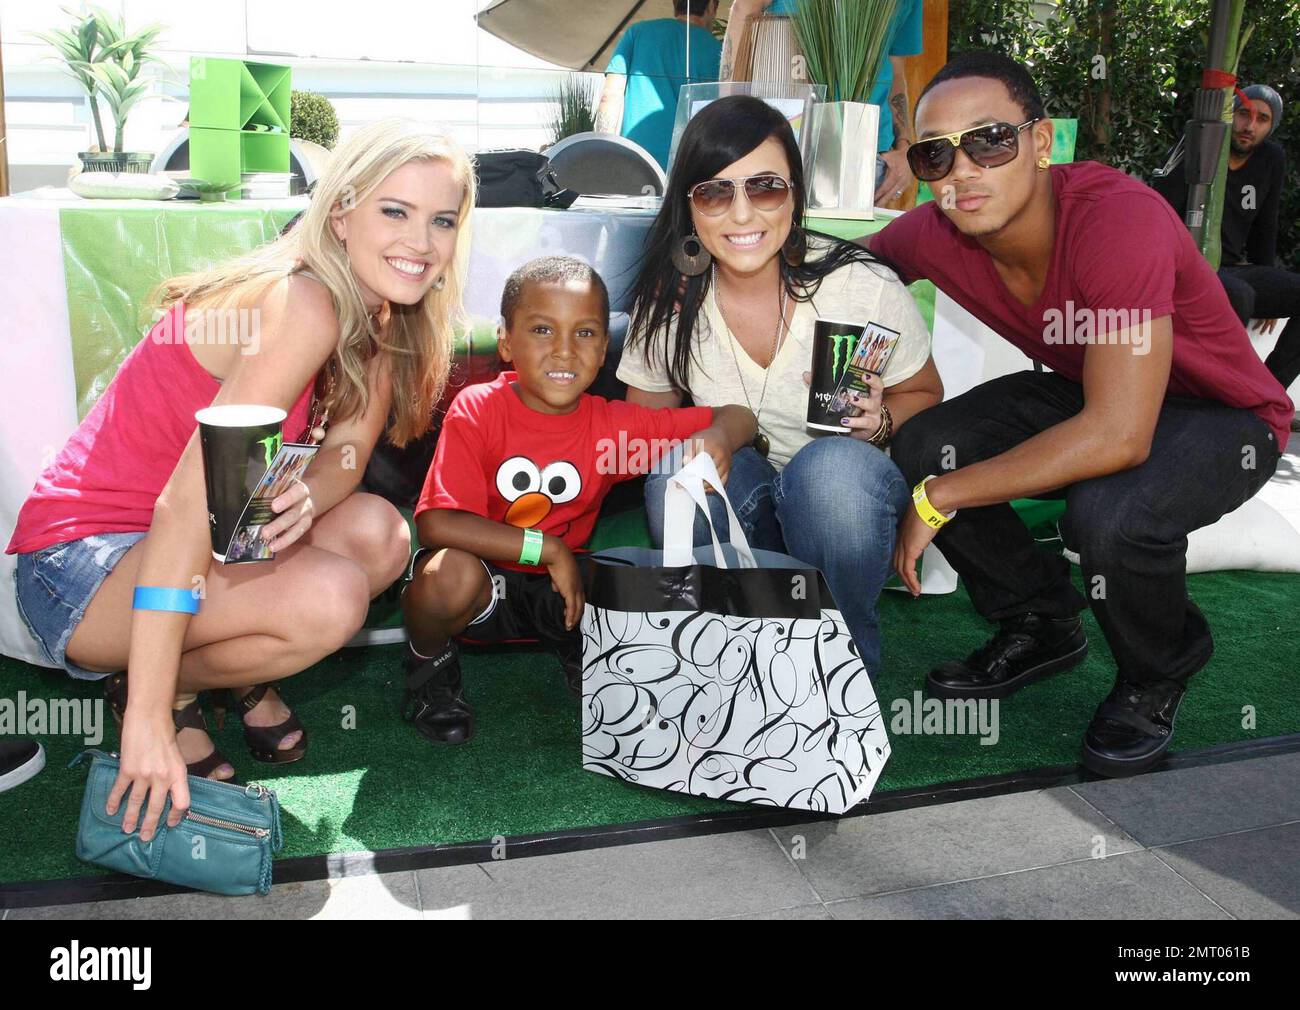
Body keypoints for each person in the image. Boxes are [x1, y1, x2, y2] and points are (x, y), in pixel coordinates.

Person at [6, 119, 476, 841]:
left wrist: (312, 494)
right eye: (395, 211)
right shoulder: (303, 303)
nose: (420, 241)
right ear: (341, 212)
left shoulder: (380, 309)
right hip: (78, 565)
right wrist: (144, 729)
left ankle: (191, 682)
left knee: (381, 533)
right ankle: (159, 698)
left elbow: (349, 450)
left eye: (441, 219)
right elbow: (184, 510)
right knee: (332, 596)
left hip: (184, 543)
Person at [871, 52, 1292, 777]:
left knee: (1108, 513)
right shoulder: (934, 230)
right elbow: (839, 269)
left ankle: (1158, 669)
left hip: (1223, 413)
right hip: (1094, 385)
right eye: (936, 153)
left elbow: (1119, 434)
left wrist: (942, 498)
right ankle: (1040, 620)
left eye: (991, 140)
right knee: (930, 440)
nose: (963, 170)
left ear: (1040, 144)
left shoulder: (1116, 217)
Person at [617, 95, 943, 678]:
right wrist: (706, 436)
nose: (742, 215)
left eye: (765, 188)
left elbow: (924, 392)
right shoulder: (668, 302)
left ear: (796, 194)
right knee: (675, 474)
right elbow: (645, 428)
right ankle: (722, 668)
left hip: (843, 514)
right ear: (688, 206)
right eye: (715, 192)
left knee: (829, 475)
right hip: (743, 507)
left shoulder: (859, 286)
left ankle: (840, 675)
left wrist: (883, 421)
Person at [400, 255, 755, 744]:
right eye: (543, 330)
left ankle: (584, 653)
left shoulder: (613, 425)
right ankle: (429, 669)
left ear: (604, 346)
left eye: (585, 333)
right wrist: (547, 549)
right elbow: (437, 524)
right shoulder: (479, 408)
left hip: (562, 593)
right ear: (506, 341)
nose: (565, 351)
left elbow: (739, 415)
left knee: (635, 581)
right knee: (445, 576)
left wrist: (718, 436)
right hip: (485, 582)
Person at [1153, 84, 1299, 412]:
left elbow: (1266, 224)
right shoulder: (1202, 142)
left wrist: (1269, 278)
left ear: (1270, 126)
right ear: (1230, 115)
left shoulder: (1271, 158)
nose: (1250, 125)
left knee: (1257, 290)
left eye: (1262, 119)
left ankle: (1268, 394)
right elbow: (1158, 205)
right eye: (1244, 114)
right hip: (1184, 267)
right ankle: (1208, 398)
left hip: (1230, 268)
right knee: (1239, 295)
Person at [719, 0, 923, 205]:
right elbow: (743, 11)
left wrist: (904, 146)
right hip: (785, 141)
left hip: (870, 150)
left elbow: (896, 70)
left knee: (854, 237)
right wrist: (727, 123)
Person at [595, 1, 723, 170]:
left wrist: (599, 157)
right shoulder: (720, 52)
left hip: (635, 162)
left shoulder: (637, 33)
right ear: (712, 7)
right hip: (693, 168)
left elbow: (610, 97)